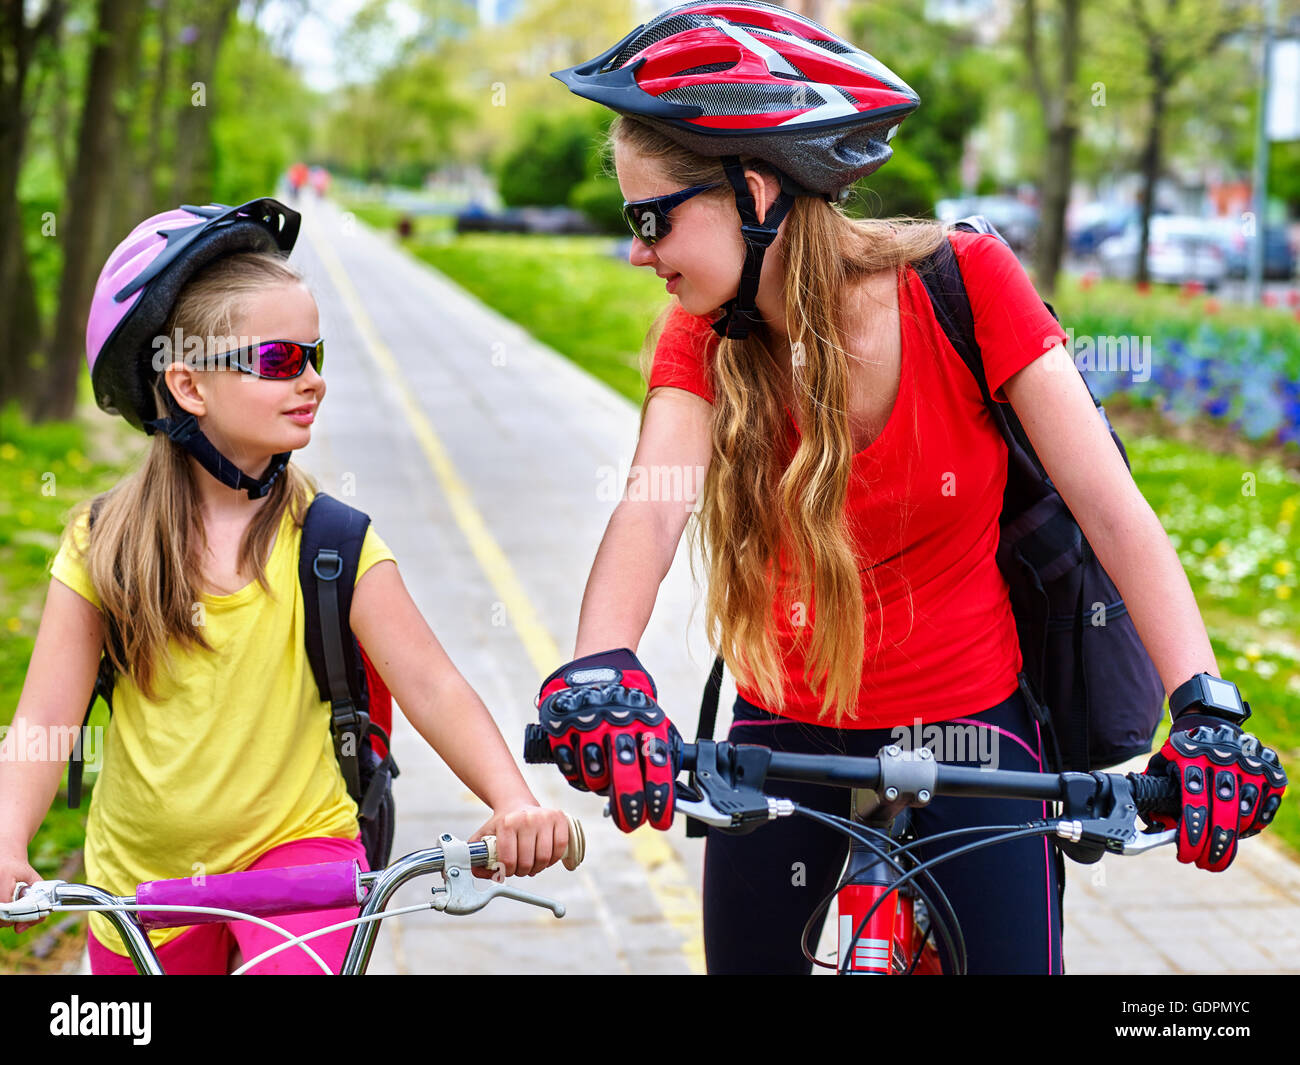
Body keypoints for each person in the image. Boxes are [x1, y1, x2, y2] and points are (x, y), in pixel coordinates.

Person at [533, 0, 1286, 974]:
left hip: (969, 727)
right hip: (782, 728)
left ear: (754, 192)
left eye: (651, 218)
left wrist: (1207, 710)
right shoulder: (703, 336)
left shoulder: (963, 281)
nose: (637, 250)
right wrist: (602, 669)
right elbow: (652, 500)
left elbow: (1113, 510)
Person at [0, 198, 569, 974]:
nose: (311, 381)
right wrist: (6, 842)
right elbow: (44, 724)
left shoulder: (333, 544)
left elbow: (434, 686)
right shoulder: (104, 547)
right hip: (142, 880)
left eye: (315, 356)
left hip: (300, 863)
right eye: (278, 361)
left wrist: (512, 800)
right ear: (189, 387)